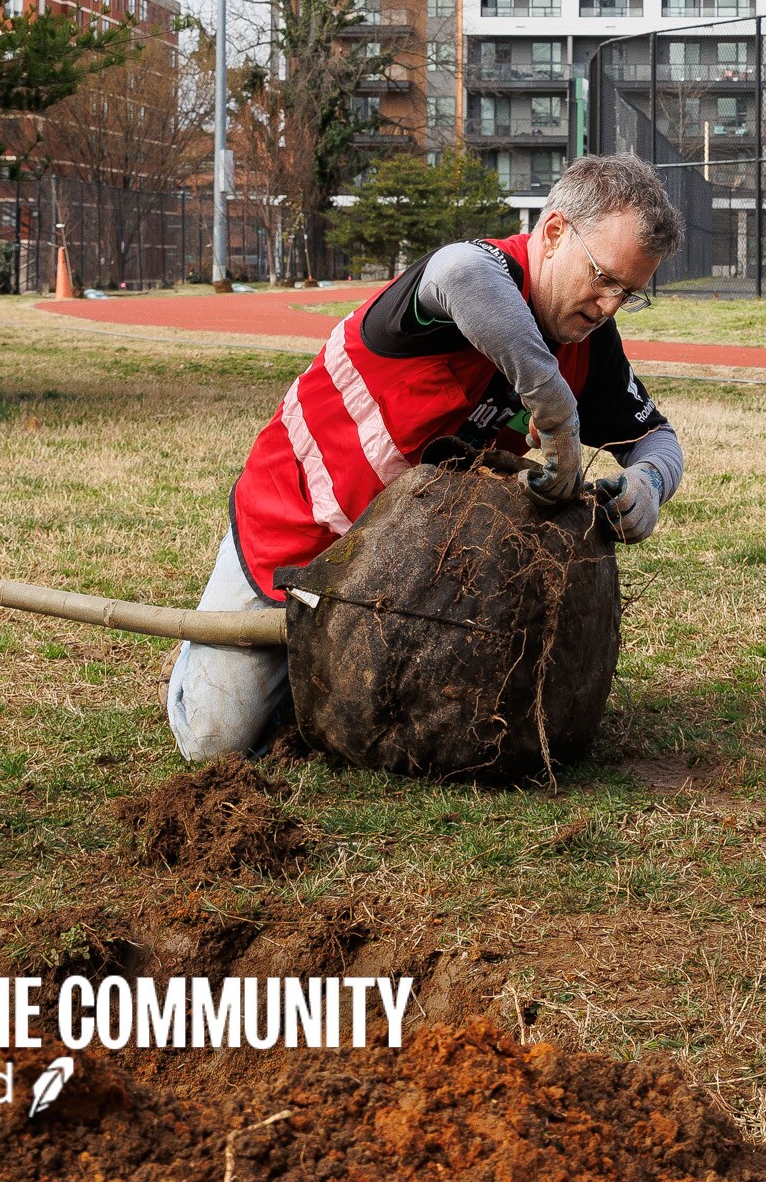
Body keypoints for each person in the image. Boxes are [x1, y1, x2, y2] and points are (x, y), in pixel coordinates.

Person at [168, 153, 686, 759]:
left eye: (630, 292)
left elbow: (660, 440)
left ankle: (314, 683)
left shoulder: (592, 345)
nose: (608, 307)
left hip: (406, 579)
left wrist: (648, 483)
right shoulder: (482, 271)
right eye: (602, 277)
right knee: (214, 741)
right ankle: (207, 673)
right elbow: (457, 271)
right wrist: (554, 406)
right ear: (551, 232)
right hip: (298, 527)